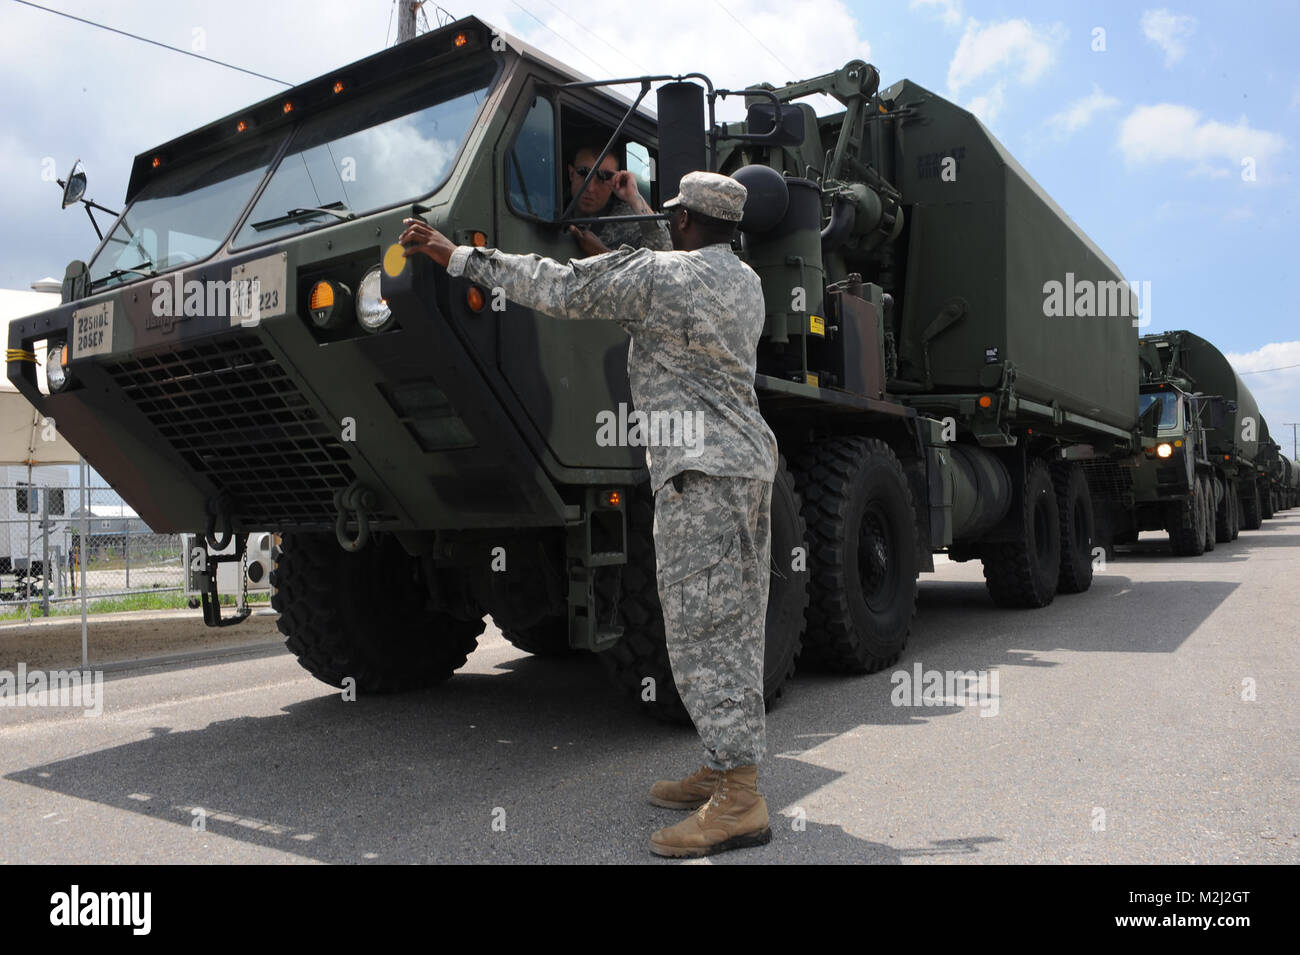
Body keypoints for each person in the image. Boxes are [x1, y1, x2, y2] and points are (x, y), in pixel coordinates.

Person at [398, 171, 778, 859]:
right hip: (745, 467)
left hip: (699, 476)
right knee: (737, 624)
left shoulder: (659, 278)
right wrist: (637, 216)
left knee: (699, 632)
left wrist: (455, 255)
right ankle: (726, 766)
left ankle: (740, 798)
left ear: (687, 223)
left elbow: (559, 286)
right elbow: (680, 256)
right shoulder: (744, 282)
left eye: (675, 220)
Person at [565, 143, 671, 255]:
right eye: (583, 173)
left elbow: (663, 256)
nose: (590, 188)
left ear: (613, 181)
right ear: (571, 174)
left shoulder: (627, 221)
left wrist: (634, 197)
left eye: (603, 177)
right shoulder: (550, 208)